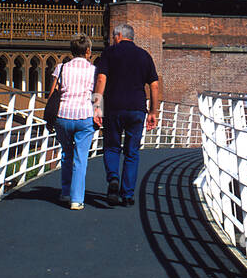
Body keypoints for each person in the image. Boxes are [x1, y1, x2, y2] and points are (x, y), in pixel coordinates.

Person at [91, 23, 161, 207]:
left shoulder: (109, 53)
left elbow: (101, 79)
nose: (113, 39)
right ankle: (128, 195)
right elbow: (154, 85)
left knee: (112, 147)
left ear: (119, 35)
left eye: (114, 36)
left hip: (113, 108)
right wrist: (153, 111)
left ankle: (113, 178)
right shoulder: (145, 56)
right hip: (137, 109)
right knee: (132, 152)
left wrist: (97, 108)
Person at [47, 35, 98, 210]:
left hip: (63, 116)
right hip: (85, 116)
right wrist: (99, 115)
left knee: (66, 153)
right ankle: (76, 199)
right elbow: (97, 96)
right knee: (81, 158)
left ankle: (66, 192)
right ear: (88, 51)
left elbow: (52, 93)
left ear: (72, 50)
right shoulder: (94, 70)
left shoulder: (61, 68)